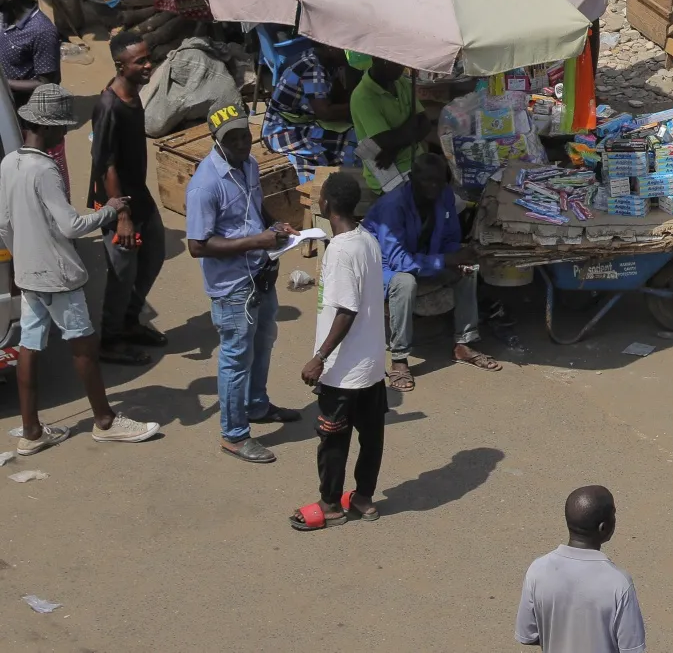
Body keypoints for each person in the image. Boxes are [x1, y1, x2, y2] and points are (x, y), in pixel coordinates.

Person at [0, 85, 160, 452]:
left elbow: (4, 223)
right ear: (51, 128)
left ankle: (32, 431)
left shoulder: (9, 162)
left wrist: (20, 259)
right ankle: (104, 420)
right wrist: (112, 208)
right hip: (58, 275)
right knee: (84, 344)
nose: (65, 135)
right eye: (63, 129)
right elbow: (71, 226)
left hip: (28, 272)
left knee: (29, 346)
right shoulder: (46, 170)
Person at [185, 101, 299, 463]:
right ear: (216, 141)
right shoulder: (205, 184)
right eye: (231, 139)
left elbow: (256, 207)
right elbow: (197, 245)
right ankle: (234, 435)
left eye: (245, 136)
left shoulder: (249, 165)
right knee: (235, 357)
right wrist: (257, 242)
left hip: (261, 272)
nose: (241, 145)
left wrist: (274, 226)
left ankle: (256, 405)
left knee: (263, 342)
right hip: (233, 286)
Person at [293, 172, 387, 531]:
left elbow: (346, 310)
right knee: (371, 438)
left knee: (333, 439)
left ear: (326, 204)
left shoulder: (341, 251)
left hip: (343, 371)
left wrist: (319, 358)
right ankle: (363, 498)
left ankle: (330, 503)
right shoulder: (367, 241)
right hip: (372, 367)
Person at [366, 152, 498, 390]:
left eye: (438, 181)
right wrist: (446, 259)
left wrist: (456, 257)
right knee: (405, 283)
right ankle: (399, 360)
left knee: (469, 270)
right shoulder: (393, 206)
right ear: (411, 178)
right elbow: (398, 261)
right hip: (384, 270)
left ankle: (463, 344)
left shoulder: (444, 195)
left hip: (425, 258)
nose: (433, 187)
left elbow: (450, 237)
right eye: (426, 180)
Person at [90, 31, 164, 363]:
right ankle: (111, 339)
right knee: (123, 272)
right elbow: (105, 163)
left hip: (139, 196)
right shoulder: (109, 105)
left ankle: (130, 322)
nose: (149, 65)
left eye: (149, 57)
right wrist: (120, 215)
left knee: (154, 256)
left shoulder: (133, 93)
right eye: (141, 62)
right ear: (121, 66)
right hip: (117, 203)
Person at [517, 485, 646, 653]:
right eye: (613, 515)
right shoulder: (618, 583)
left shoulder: (538, 570)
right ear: (604, 528)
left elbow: (528, 635)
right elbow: (631, 648)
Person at [0, 0, 65, 187]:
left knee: (40, 185)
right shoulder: (4, 18)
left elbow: (47, 82)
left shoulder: (41, 30)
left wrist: (4, 84)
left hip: (33, 125)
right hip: (8, 115)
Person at [264, 41, 358, 174]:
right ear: (330, 46)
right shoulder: (312, 67)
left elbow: (339, 97)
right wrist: (358, 106)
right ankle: (355, 180)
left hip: (305, 123)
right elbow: (325, 112)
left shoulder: (328, 62)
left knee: (348, 136)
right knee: (350, 141)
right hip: (282, 130)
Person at [349, 55, 432, 202]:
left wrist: (394, 149)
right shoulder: (362, 96)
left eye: (399, 62)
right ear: (375, 59)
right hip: (388, 172)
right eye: (391, 62)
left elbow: (425, 124)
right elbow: (386, 141)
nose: (398, 67)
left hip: (415, 160)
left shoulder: (401, 81)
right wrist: (412, 124)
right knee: (420, 204)